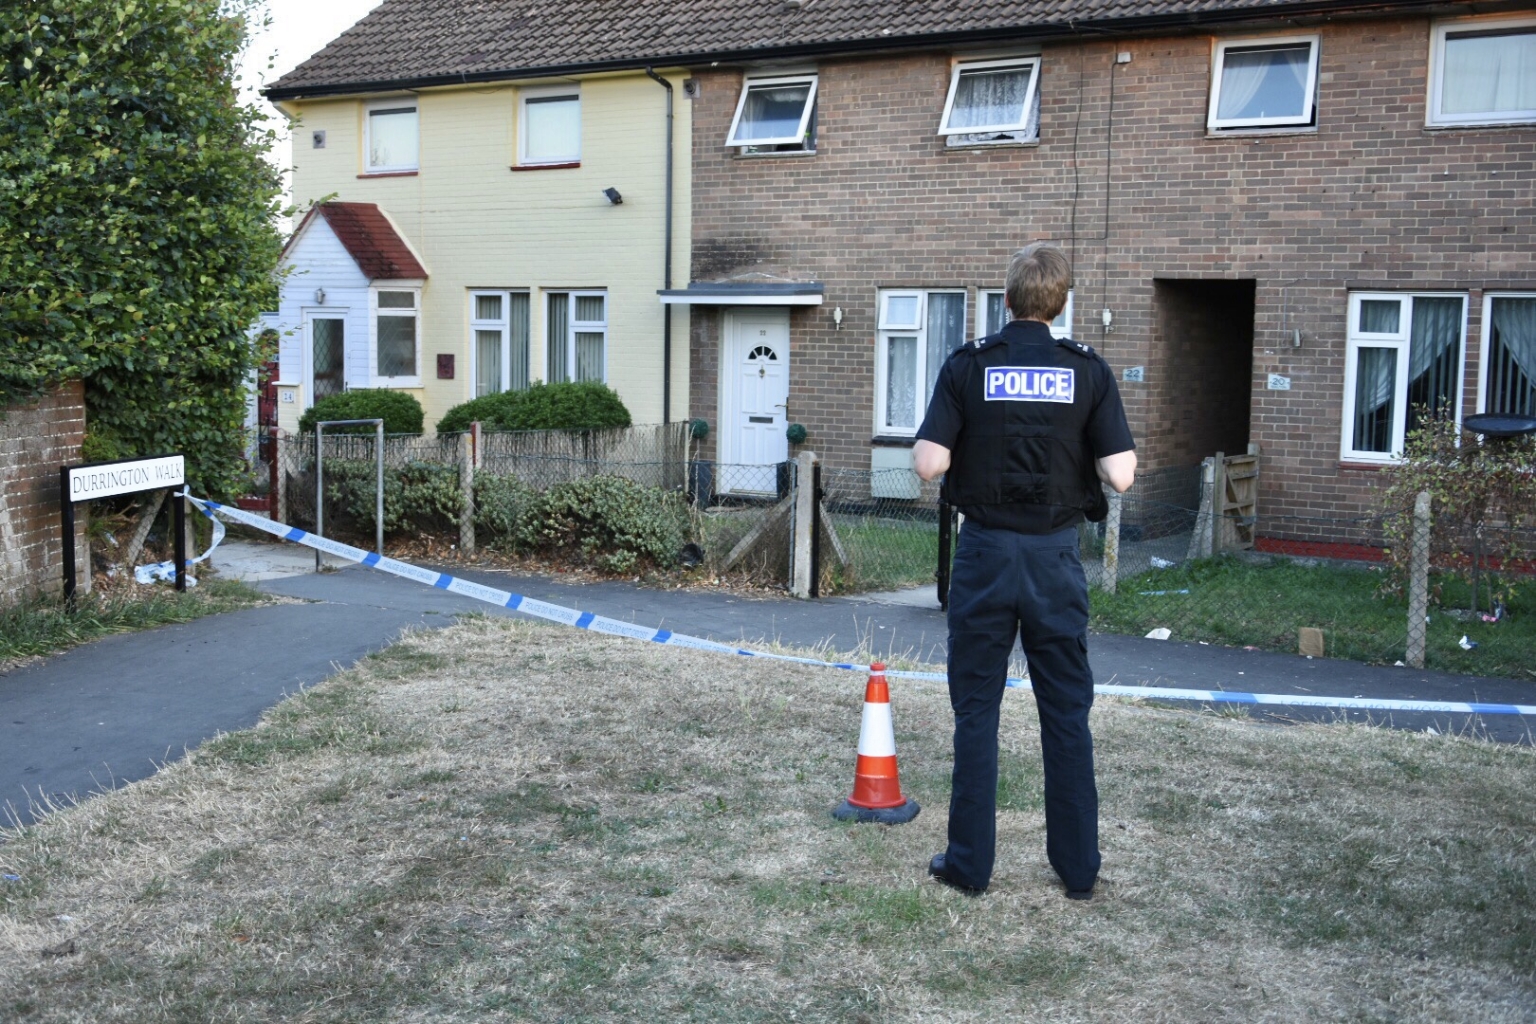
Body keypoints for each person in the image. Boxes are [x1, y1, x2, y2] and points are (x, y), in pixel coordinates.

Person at [912, 243, 1136, 900]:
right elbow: (1122, 474)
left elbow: (928, 464)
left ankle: (969, 865)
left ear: (1006, 299)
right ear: (1060, 305)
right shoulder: (1088, 372)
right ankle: (1078, 869)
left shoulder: (968, 365)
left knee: (976, 710)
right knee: (1065, 711)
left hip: (984, 555)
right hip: (1054, 560)